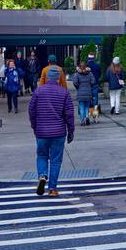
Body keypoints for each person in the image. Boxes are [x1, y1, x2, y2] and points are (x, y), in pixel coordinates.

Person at [28, 65, 75, 197]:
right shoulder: (64, 92)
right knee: (55, 160)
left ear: (47, 77)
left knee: (42, 156)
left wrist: (34, 125)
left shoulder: (38, 91)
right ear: (59, 78)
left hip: (41, 131)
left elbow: (31, 110)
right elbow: (69, 114)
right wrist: (71, 131)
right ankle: (53, 188)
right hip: (58, 132)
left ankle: (42, 175)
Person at [70, 61, 96, 126]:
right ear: (86, 67)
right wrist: (89, 86)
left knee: (81, 107)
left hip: (80, 92)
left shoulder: (77, 74)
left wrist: (78, 87)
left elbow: (75, 82)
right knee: (87, 106)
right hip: (88, 92)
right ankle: (87, 117)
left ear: (80, 67)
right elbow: (93, 82)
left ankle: (82, 121)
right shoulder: (90, 73)